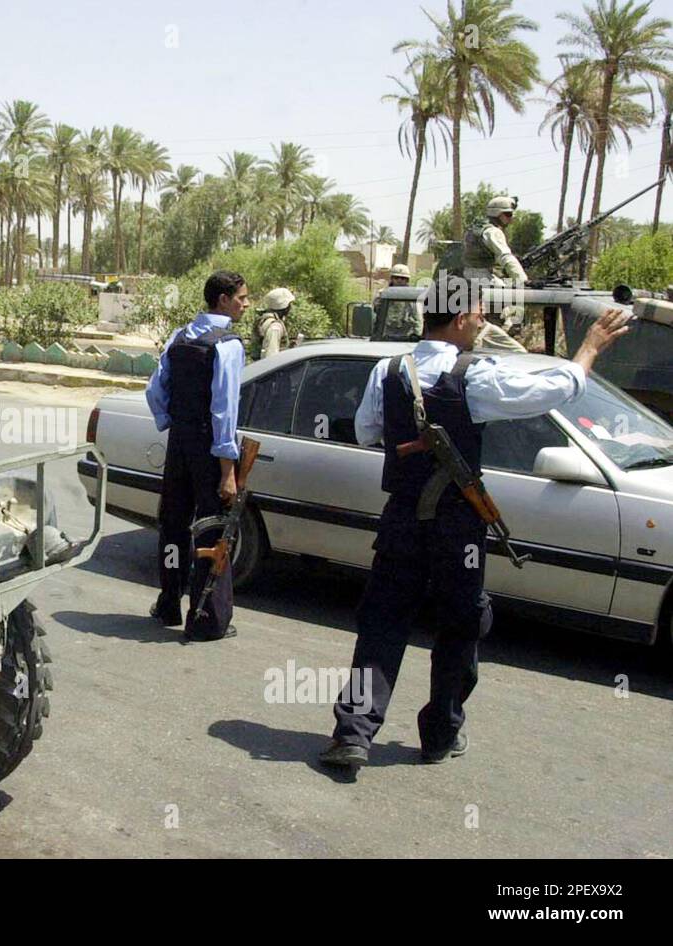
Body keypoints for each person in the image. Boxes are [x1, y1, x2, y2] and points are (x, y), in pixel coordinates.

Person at [318, 270, 630, 770]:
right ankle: (440, 733)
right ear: (461, 316)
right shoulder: (476, 375)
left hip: (400, 518)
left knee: (382, 624)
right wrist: (590, 347)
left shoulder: (387, 370)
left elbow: (364, 432)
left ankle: (353, 734)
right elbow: (558, 387)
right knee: (461, 625)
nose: (484, 319)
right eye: (480, 311)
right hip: (456, 525)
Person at [145, 271, 248, 641]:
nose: (245, 304)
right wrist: (227, 471)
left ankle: (169, 601)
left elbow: (155, 391)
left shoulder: (180, 335)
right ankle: (205, 618)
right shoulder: (229, 345)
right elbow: (224, 410)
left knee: (173, 525)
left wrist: (173, 423)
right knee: (212, 531)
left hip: (179, 443)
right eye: (241, 298)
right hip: (209, 449)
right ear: (223, 300)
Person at [465, 195, 529, 351]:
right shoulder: (493, 232)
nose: (510, 219)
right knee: (514, 297)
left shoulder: (476, 228)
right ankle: (509, 329)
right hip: (481, 279)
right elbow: (505, 256)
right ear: (498, 214)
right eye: (508, 215)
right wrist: (522, 279)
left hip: (468, 276)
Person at [252, 287, 295, 360]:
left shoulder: (266, 320)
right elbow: (271, 357)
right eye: (289, 304)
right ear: (285, 307)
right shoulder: (275, 327)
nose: (290, 307)